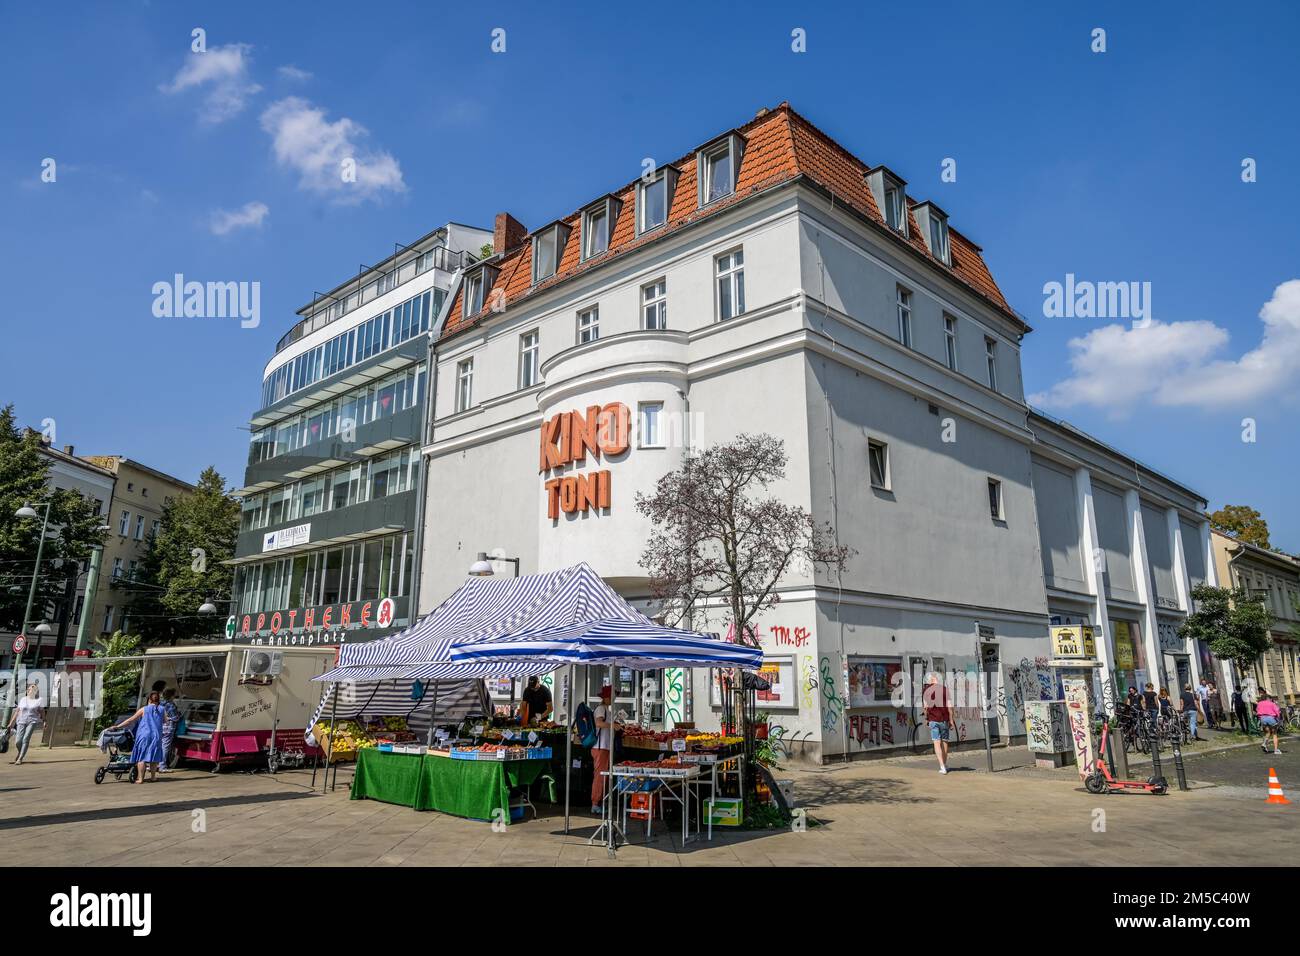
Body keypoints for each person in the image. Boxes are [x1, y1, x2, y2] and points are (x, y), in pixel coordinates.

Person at [107, 691, 167, 783]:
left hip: (144, 735)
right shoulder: (162, 709)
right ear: (158, 700)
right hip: (156, 736)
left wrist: (117, 726)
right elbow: (165, 721)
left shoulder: (144, 709)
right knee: (154, 757)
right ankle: (153, 777)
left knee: (141, 757)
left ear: (149, 700)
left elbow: (130, 720)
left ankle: (141, 779)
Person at [590, 686, 621, 814]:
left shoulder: (606, 710)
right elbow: (598, 723)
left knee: (603, 776)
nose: (613, 699)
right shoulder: (601, 709)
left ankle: (599, 802)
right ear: (606, 697)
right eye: (612, 696)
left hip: (605, 747)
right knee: (600, 776)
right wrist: (613, 725)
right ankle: (595, 803)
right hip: (600, 747)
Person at [923, 672, 958, 774]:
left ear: (930, 680)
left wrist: (926, 719)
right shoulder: (945, 690)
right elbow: (950, 707)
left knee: (936, 742)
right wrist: (951, 720)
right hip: (944, 720)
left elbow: (925, 707)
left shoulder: (926, 690)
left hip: (933, 720)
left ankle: (942, 766)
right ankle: (945, 764)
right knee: (945, 742)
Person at [6, 682, 45, 765]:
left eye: (30, 689)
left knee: (25, 739)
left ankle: (20, 758)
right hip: (21, 721)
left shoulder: (39, 700)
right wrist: (10, 723)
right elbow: (17, 711)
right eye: (28, 689)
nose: (28, 690)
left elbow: (42, 711)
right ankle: (21, 753)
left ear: (35, 691)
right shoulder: (23, 699)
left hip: (32, 721)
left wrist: (45, 721)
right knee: (18, 742)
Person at [159, 688, 181, 772]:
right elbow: (175, 718)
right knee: (165, 747)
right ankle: (162, 766)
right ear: (171, 696)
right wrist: (179, 715)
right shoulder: (171, 705)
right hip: (168, 728)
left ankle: (155, 765)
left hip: (160, 727)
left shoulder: (160, 703)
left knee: (159, 746)